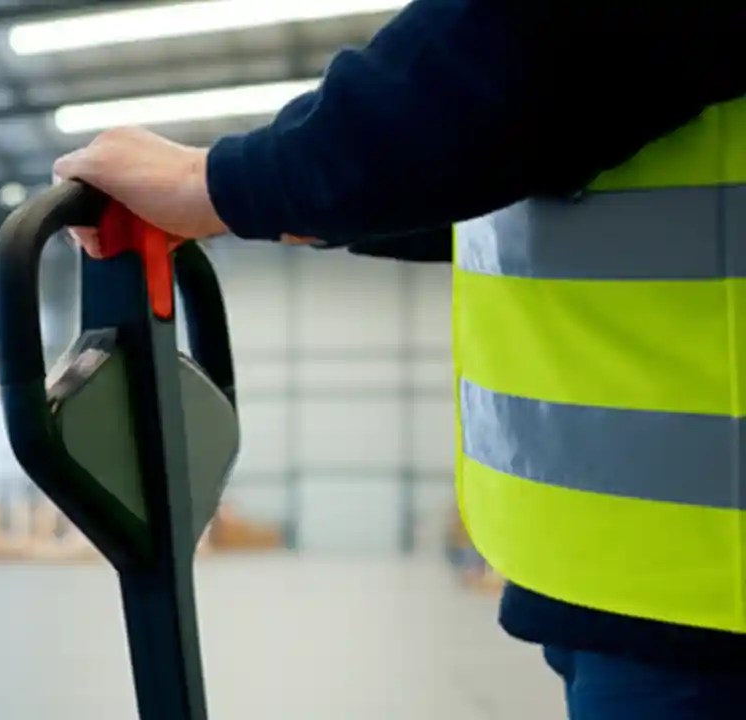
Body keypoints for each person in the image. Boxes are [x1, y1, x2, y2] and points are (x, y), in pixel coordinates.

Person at [52, 2, 746, 719]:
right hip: (670, 589)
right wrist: (298, 205)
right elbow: (524, 147)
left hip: (705, 605)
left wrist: (224, 182)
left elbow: (530, 46)